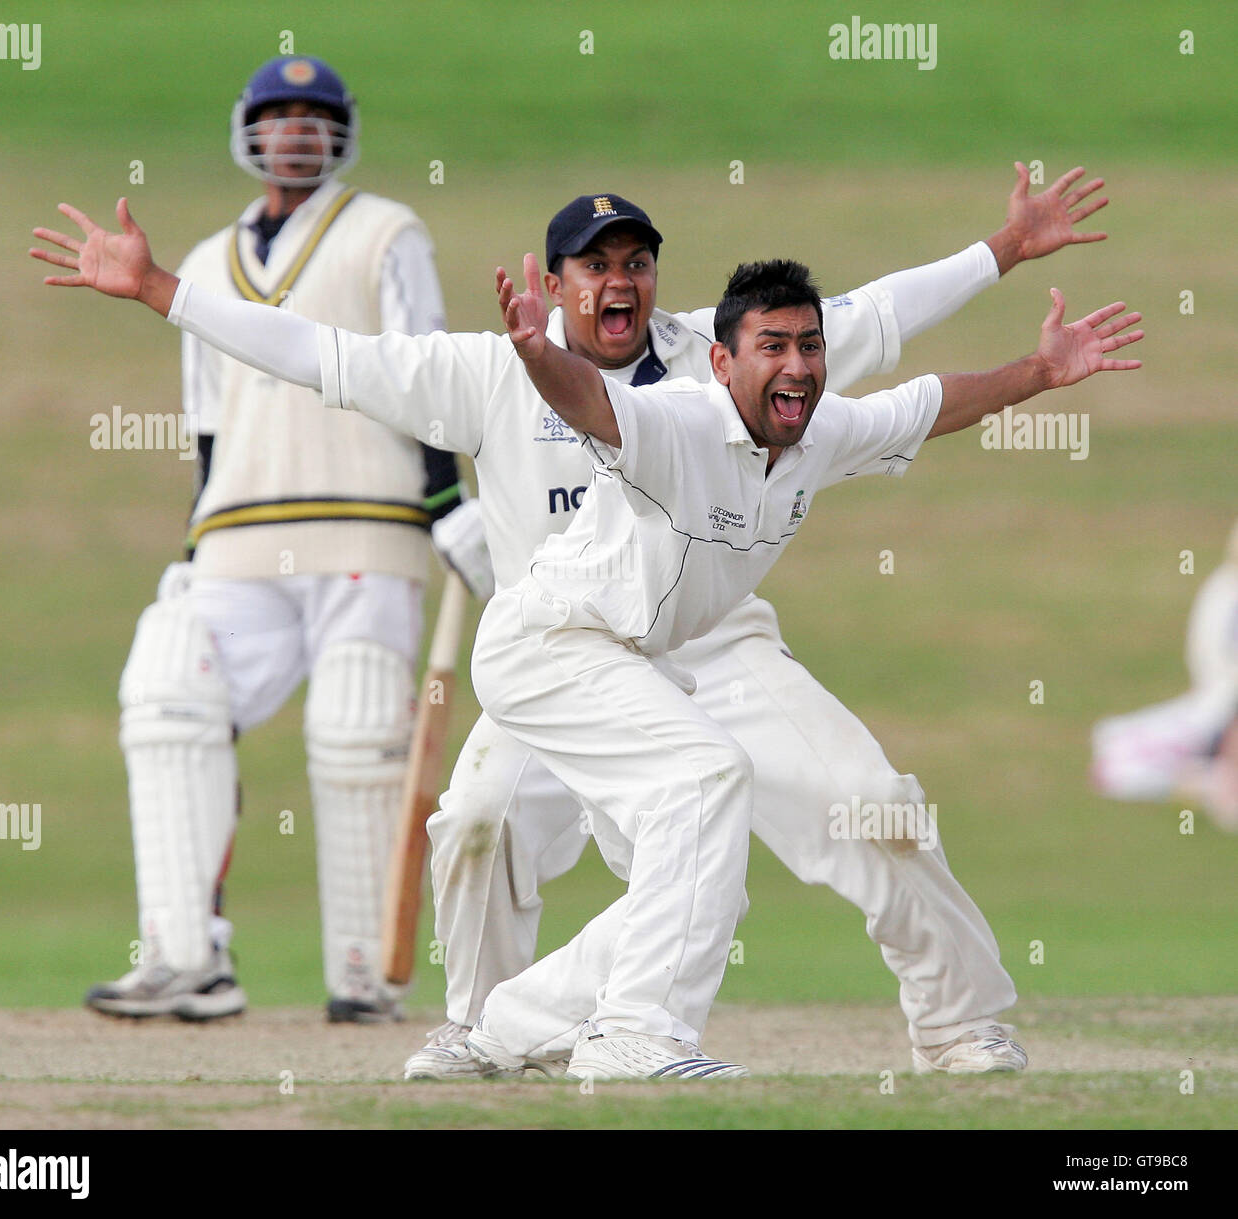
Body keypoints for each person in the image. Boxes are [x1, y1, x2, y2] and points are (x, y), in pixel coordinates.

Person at [33, 167, 1106, 1068]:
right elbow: (326, 357)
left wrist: (1004, 249)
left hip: (716, 644)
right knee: (482, 823)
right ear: (557, 284)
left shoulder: (721, 355)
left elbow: (879, 319)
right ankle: (487, 1034)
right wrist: (165, 289)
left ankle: (958, 1023)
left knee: (872, 805)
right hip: (568, 650)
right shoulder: (487, 368)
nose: (620, 281)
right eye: (596, 264)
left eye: (636, 262)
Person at [459, 255, 1140, 1079]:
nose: (797, 365)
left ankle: (512, 1024)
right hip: (550, 644)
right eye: (772, 345)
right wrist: (537, 354)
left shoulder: (819, 433)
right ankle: (634, 1033)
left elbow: (929, 404)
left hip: (657, 655)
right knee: (707, 778)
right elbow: (595, 402)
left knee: (772, 843)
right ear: (722, 361)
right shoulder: (680, 418)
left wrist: (1036, 371)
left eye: (810, 346)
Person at [63, 56, 487, 1023]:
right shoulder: (204, 260)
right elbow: (207, 417)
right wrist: (192, 541)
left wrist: (446, 499)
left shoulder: (388, 230)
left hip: (367, 525)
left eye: (315, 115)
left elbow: (423, 372)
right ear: (246, 129)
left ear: (342, 131)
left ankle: (364, 976)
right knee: (166, 690)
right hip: (240, 535)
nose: (296, 131)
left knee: (354, 735)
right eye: (278, 114)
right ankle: (185, 960)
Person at [1091, 519, 1238, 831]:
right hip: (1214, 712)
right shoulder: (1223, 590)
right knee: (1114, 745)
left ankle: (1214, 782)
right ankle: (1208, 781)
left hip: (1222, 716)